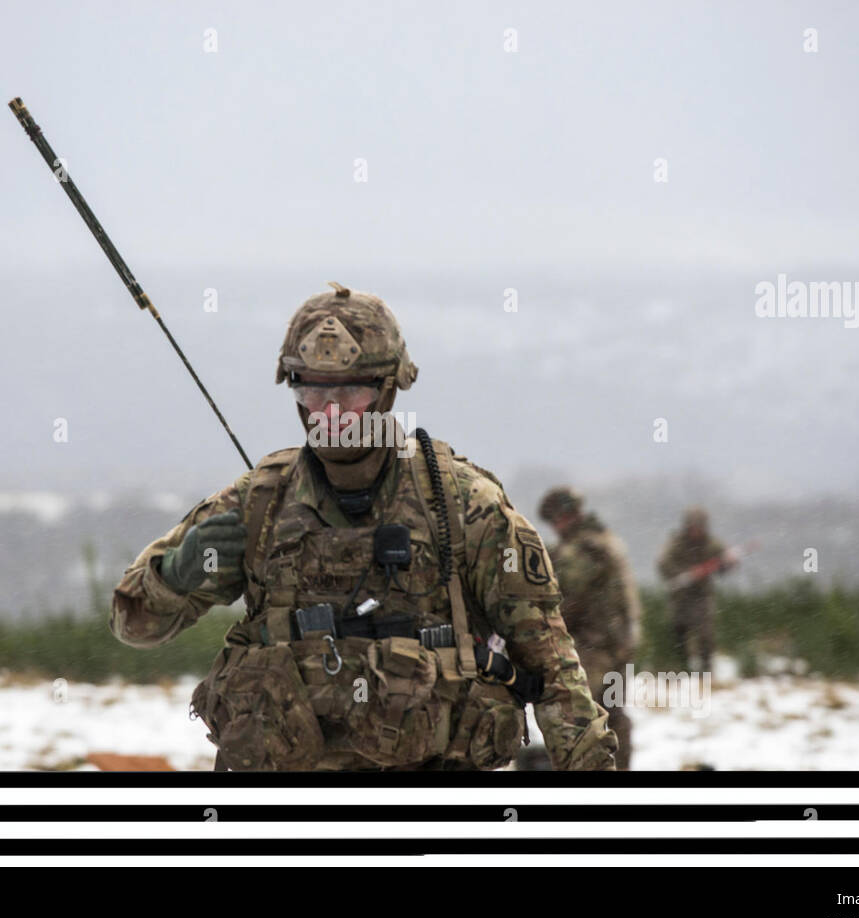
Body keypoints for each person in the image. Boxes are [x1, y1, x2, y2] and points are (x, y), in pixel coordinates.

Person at [109, 282, 617, 771]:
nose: (329, 411)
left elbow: (551, 664)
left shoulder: (462, 505)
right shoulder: (258, 503)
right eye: (311, 389)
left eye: (349, 390)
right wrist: (173, 576)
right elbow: (134, 626)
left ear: (387, 390)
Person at [539, 487, 641, 770]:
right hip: (616, 645)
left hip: (595, 649)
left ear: (565, 516)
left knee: (590, 717)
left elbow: (568, 600)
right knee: (612, 713)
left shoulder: (582, 549)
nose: (555, 527)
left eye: (555, 520)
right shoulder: (603, 541)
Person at [656, 507, 733, 672]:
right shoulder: (676, 543)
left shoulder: (712, 544)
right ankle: (680, 669)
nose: (696, 531)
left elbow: (724, 563)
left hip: (702, 595)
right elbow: (663, 564)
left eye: (699, 527)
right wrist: (686, 574)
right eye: (693, 527)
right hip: (680, 596)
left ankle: (706, 672)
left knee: (705, 634)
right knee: (679, 632)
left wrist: (727, 562)